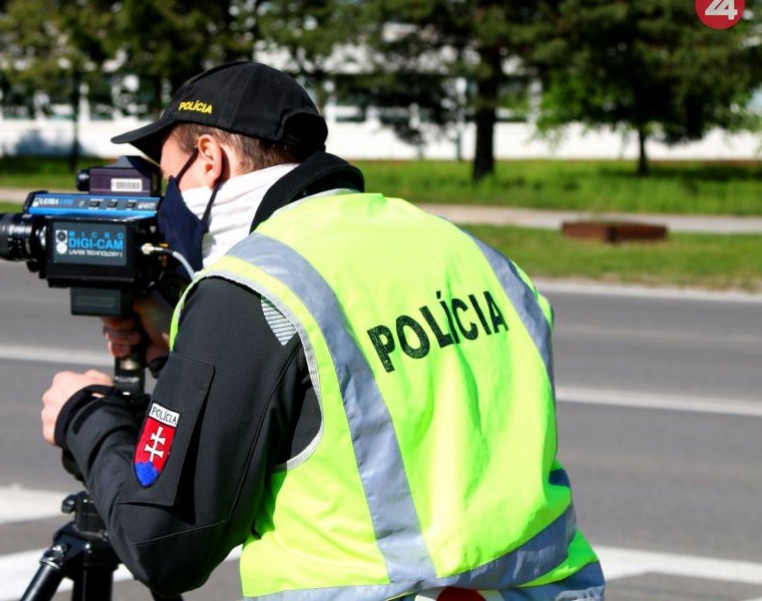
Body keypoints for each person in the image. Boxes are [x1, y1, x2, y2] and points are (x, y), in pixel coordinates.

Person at [41, 62, 605, 600]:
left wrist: (86, 416)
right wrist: (176, 356)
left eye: (170, 179)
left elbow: (164, 547)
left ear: (209, 158)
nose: (168, 204)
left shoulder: (252, 287)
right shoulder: (467, 252)